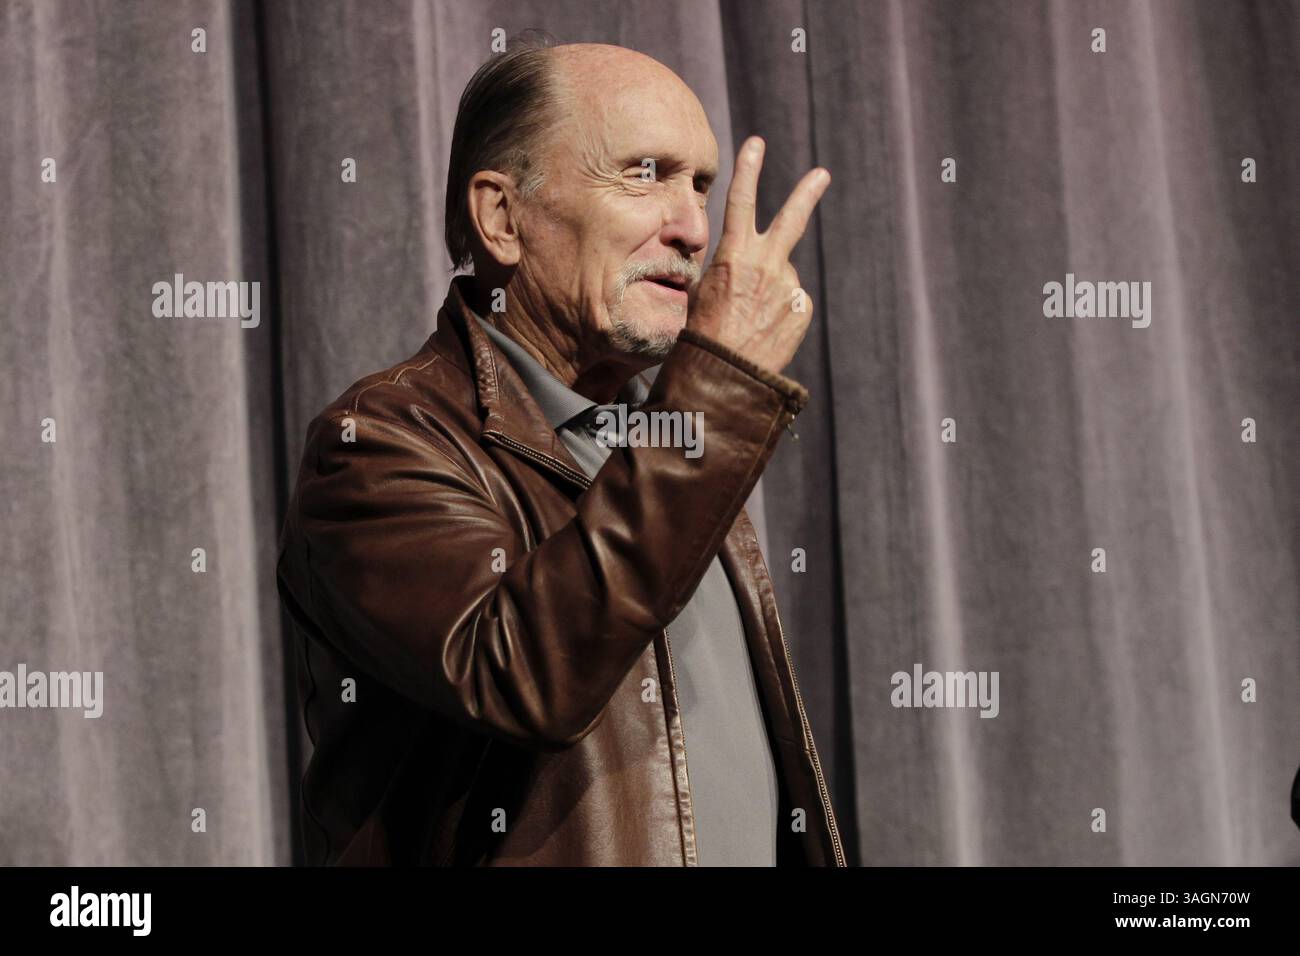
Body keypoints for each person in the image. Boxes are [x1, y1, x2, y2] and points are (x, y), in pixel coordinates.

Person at [276, 34, 844, 866]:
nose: (694, 228)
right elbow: (522, 675)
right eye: (645, 174)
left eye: (701, 185)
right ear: (502, 219)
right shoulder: (379, 443)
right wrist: (722, 387)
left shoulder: (670, 437)